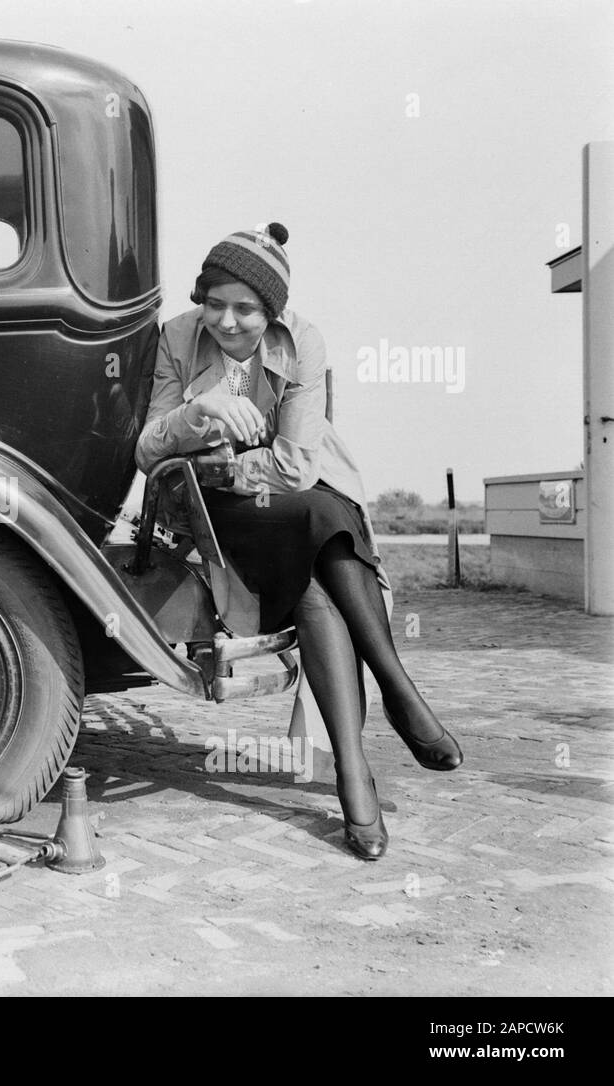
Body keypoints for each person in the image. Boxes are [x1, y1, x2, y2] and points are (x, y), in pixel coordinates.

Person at [135, 223, 462, 860]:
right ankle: (399, 694)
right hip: (213, 508)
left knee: (318, 569)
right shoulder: (174, 338)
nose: (227, 322)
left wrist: (239, 462)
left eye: (247, 310)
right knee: (325, 523)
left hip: (292, 493)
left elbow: (295, 466)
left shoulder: (302, 343)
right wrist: (197, 412)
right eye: (214, 303)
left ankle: (351, 774)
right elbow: (149, 451)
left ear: (273, 313)